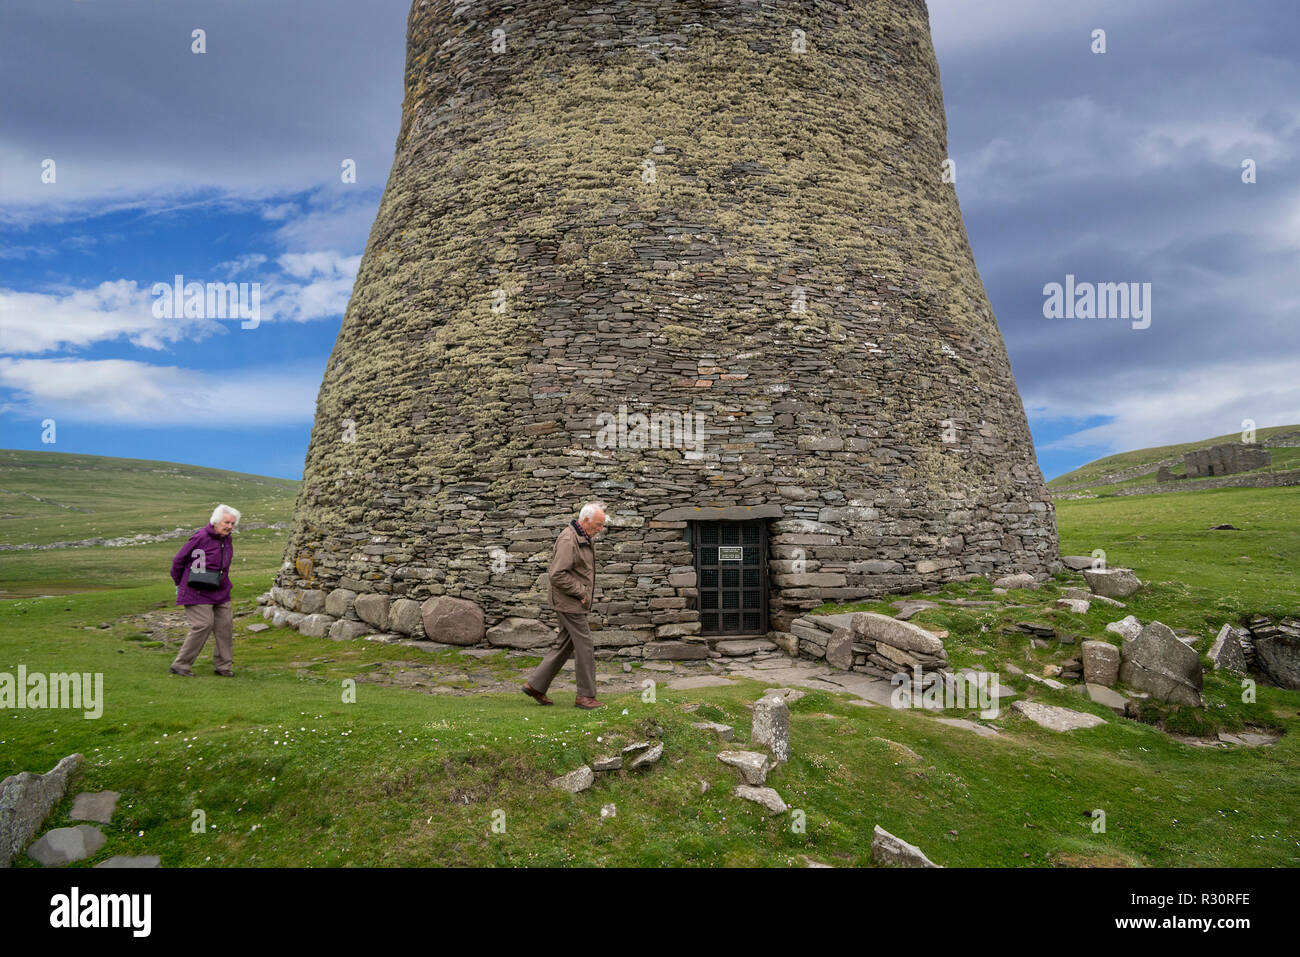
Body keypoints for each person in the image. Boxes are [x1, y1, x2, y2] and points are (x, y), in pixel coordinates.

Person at [523, 502, 606, 709]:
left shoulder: (584, 537)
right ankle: (585, 696)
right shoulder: (569, 539)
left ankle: (535, 686)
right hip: (569, 602)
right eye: (598, 525)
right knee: (584, 646)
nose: (600, 529)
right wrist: (581, 593)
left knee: (565, 644)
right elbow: (556, 575)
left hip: (572, 602)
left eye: (602, 525)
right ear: (585, 520)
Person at [168, 504, 239, 677]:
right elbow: (178, 561)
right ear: (215, 521)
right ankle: (181, 665)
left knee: (225, 627)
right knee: (202, 625)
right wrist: (180, 584)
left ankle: (223, 666)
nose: (229, 527)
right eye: (226, 522)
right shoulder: (200, 537)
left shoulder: (226, 539)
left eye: (232, 523)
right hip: (196, 590)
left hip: (220, 590)